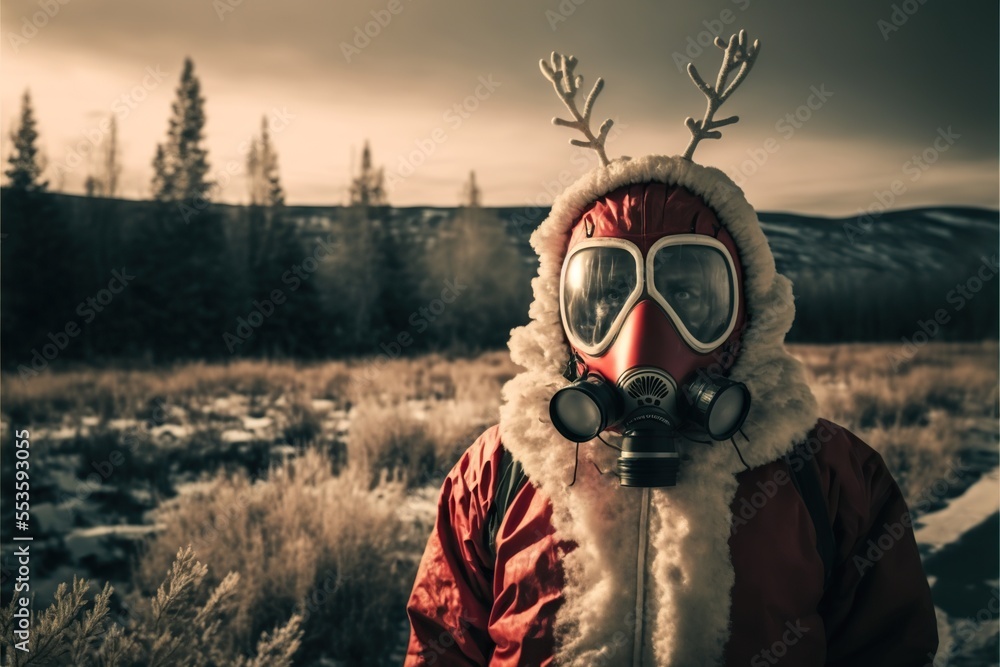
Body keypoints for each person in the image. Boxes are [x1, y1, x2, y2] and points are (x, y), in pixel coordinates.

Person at [405, 32, 938, 667]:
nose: (642, 332)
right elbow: (441, 648)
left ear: (746, 313)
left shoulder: (829, 477)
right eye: (607, 294)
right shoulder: (498, 474)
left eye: (687, 293)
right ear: (558, 313)